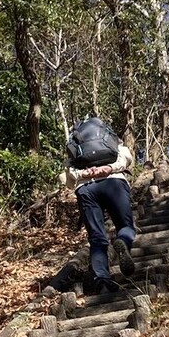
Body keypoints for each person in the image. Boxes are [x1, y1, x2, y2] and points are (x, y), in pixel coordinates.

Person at [60, 117, 137, 295]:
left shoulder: (77, 143)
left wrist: (84, 173)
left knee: (96, 237)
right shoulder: (109, 137)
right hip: (114, 182)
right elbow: (126, 157)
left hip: (86, 189)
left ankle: (102, 280)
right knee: (125, 226)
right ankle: (123, 241)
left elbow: (68, 177)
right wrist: (108, 168)